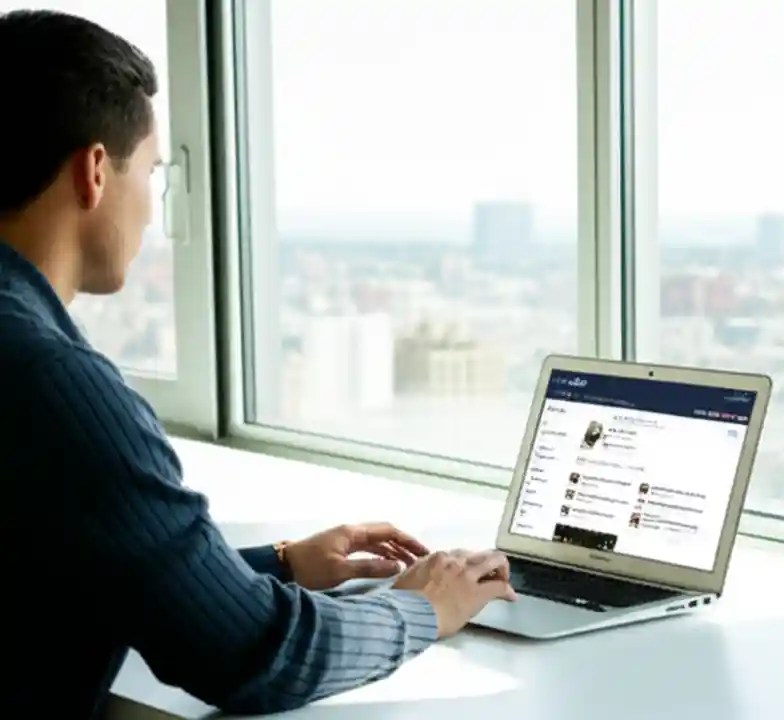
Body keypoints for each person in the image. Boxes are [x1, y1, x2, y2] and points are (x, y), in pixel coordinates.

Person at [0, 10, 514, 718]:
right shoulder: (54, 385)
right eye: (149, 172)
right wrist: (425, 609)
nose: (151, 208)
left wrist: (282, 563)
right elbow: (250, 653)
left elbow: (64, 571)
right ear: (94, 172)